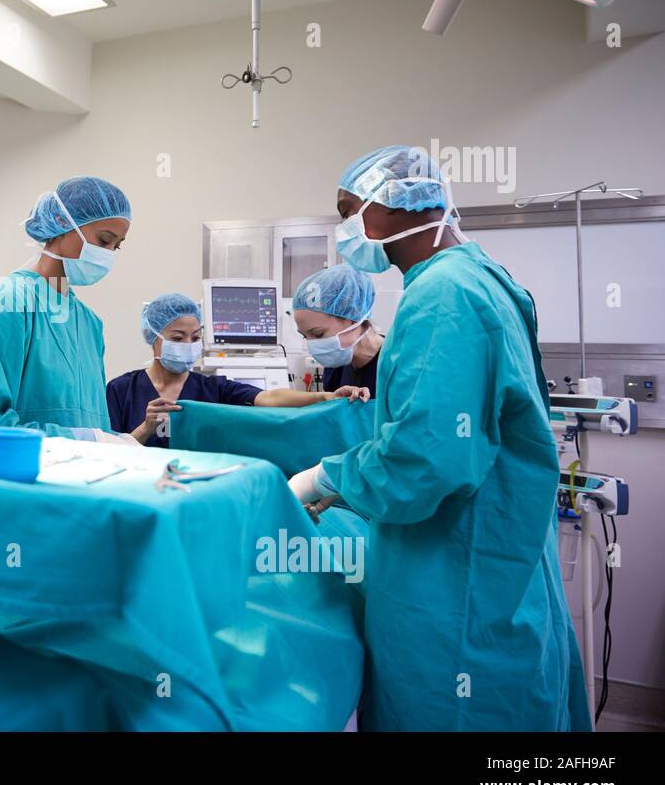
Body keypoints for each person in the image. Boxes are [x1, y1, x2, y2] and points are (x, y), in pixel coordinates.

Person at [288, 144, 588, 731]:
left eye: (351, 211)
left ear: (399, 209)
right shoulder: (484, 279)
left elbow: (424, 460)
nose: (345, 229)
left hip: (455, 599)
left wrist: (326, 476)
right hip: (503, 572)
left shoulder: (442, 295)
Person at [0, 175, 134, 441]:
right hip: (24, 477)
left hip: (86, 476)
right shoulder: (7, 303)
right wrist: (87, 441)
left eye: (116, 246)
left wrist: (111, 442)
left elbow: (88, 421)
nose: (108, 253)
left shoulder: (89, 322)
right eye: (104, 240)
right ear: (62, 224)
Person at [107, 293, 369, 448]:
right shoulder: (121, 390)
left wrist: (327, 397)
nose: (188, 345)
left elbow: (269, 398)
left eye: (195, 337)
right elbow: (109, 454)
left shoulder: (212, 388)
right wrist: (145, 428)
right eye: (178, 338)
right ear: (152, 337)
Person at [291, 264, 384, 397]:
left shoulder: (396, 362)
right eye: (305, 336)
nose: (312, 346)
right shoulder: (337, 362)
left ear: (352, 317)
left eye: (318, 334)